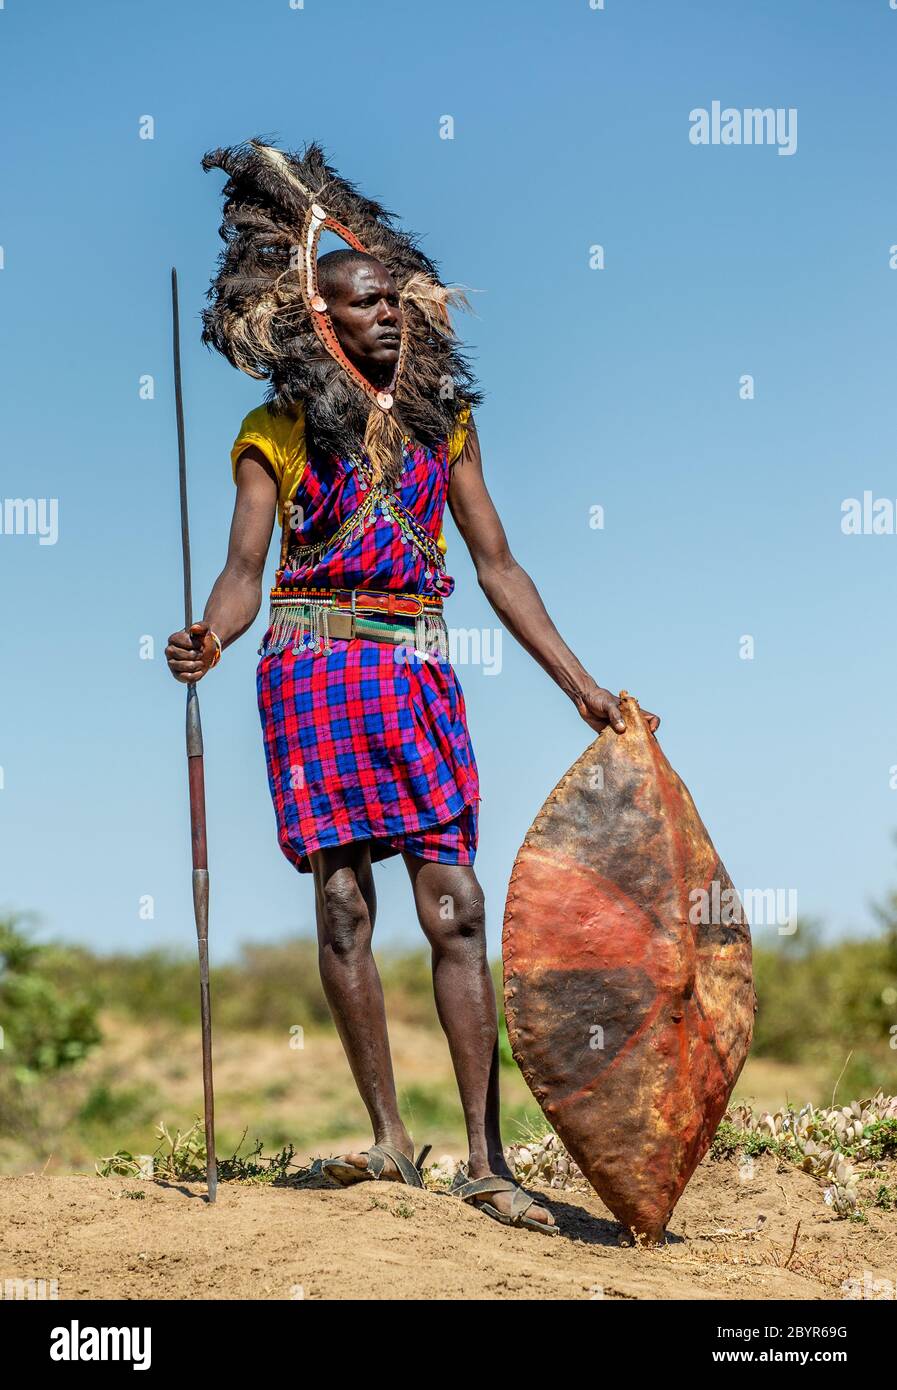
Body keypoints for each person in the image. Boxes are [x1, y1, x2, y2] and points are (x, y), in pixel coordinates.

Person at [166, 140, 659, 1235]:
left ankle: (486, 1159)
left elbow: (497, 563)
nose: (390, 314)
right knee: (343, 901)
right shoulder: (277, 431)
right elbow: (245, 574)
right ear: (322, 318)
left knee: (458, 902)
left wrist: (579, 684)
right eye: (365, 302)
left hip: (416, 669)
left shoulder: (448, 421)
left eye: (396, 299)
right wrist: (208, 635)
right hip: (311, 670)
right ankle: (391, 1139)